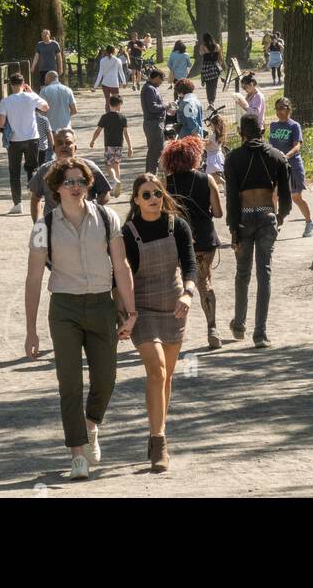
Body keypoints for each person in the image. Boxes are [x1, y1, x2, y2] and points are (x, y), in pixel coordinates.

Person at [24, 158, 136, 481]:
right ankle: (77, 455)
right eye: (69, 182)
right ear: (56, 188)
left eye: (81, 182)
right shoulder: (42, 227)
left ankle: (90, 426)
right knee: (69, 383)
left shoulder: (107, 217)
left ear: (88, 185)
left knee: (107, 378)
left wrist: (131, 310)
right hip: (64, 310)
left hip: (102, 305)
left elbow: (122, 266)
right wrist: (31, 331)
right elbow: (33, 280)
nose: (76, 187)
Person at [122, 173, 197, 472]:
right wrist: (124, 314)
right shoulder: (128, 232)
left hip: (174, 308)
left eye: (157, 193)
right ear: (136, 200)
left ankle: (158, 433)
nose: (153, 199)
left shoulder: (177, 225)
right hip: (142, 311)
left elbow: (190, 264)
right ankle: (159, 441)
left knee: (166, 377)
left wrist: (189, 294)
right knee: (157, 370)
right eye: (146, 194)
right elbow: (120, 277)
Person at [225, 114, 291, 348]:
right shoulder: (276, 156)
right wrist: (280, 216)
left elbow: (232, 197)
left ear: (242, 133)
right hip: (267, 217)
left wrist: (233, 229)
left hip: (244, 218)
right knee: (265, 273)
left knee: (243, 273)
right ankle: (260, 333)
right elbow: (286, 195)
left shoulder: (233, 158)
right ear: (263, 132)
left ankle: (240, 323)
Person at [162, 136, 223, 350]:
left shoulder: (167, 183)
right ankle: (212, 329)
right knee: (204, 281)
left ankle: (175, 332)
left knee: (177, 283)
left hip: (179, 239)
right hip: (205, 238)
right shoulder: (207, 179)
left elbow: (164, 215)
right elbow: (218, 212)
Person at [0, 73, 51, 214]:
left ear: (11, 85)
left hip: (15, 140)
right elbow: (45, 107)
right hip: (32, 137)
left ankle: (17, 203)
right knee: (32, 168)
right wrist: (32, 92)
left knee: (14, 172)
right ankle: (33, 196)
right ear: (23, 84)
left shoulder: (5, 101)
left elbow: (1, 123)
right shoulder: (31, 97)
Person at [29, 127, 112, 220]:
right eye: (60, 143)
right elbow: (35, 199)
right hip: (55, 226)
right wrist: (39, 226)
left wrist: (92, 206)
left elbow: (105, 193)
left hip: (85, 223)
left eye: (68, 143)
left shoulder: (89, 167)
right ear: (54, 148)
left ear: (75, 148)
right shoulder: (44, 170)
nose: (64, 146)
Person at [268, 97, 313, 237]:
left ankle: (309, 222)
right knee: (274, 196)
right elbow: (271, 145)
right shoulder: (273, 126)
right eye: (277, 108)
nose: (279, 111)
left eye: (282, 108)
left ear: (288, 109)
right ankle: (275, 224)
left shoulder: (294, 126)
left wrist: (286, 156)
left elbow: (297, 145)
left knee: (296, 197)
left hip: (293, 165)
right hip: (278, 167)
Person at [90, 94, 132, 197]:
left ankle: (115, 180)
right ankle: (116, 186)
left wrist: (93, 140)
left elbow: (98, 131)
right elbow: (126, 133)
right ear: (119, 105)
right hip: (119, 145)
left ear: (109, 105)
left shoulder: (105, 117)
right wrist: (130, 147)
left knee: (108, 166)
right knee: (116, 165)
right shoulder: (122, 118)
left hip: (108, 145)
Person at [39, 70, 77, 166]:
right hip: (66, 127)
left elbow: (42, 111)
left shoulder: (44, 91)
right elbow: (74, 110)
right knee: (68, 151)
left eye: (45, 79)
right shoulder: (68, 90)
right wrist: (65, 115)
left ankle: (50, 174)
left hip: (50, 128)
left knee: (49, 153)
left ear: (48, 79)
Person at [141, 67, 168, 173]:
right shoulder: (149, 89)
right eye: (161, 80)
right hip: (154, 124)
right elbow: (152, 108)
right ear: (156, 77)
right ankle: (150, 174)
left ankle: (150, 173)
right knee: (155, 151)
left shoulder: (152, 88)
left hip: (156, 123)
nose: (161, 83)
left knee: (155, 150)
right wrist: (165, 106)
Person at [199, 33, 223, 107]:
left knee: (208, 86)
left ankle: (210, 101)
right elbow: (220, 58)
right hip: (215, 68)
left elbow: (201, 54)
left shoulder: (202, 47)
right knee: (214, 86)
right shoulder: (217, 46)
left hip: (206, 68)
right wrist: (219, 65)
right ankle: (212, 101)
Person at [204, 112, 227, 186]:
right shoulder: (219, 135)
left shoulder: (214, 135)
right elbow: (210, 141)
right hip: (217, 155)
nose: (211, 127)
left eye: (212, 125)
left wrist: (201, 144)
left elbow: (208, 145)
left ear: (216, 125)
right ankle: (217, 188)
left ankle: (224, 184)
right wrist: (202, 139)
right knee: (214, 177)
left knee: (212, 175)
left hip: (213, 157)